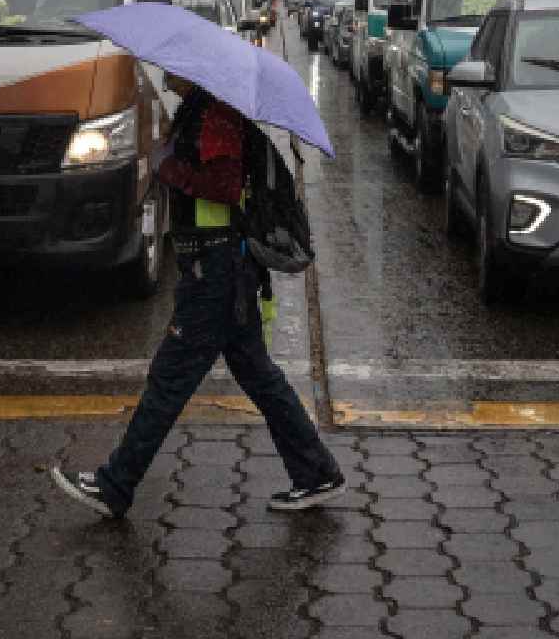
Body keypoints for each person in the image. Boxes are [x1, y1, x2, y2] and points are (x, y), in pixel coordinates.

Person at [51, 75, 344, 519]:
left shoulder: (217, 114)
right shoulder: (198, 109)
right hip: (218, 266)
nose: (165, 71)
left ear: (195, 71)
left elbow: (225, 186)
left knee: (170, 378)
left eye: (173, 66)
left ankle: (115, 485)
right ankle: (316, 472)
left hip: (217, 270)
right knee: (259, 376)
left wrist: (172, 171)